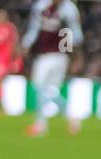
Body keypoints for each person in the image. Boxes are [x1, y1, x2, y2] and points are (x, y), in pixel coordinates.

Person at [21, 0, 82, 137]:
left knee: (42, 88)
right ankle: (71, 117)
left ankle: (41, 125)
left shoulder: (69, 9)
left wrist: (75, 56)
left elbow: (75, 33)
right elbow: (34, 28)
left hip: (60, 55)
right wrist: (27, 44)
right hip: (44, 55)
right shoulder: (41, 6)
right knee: (47, 90)